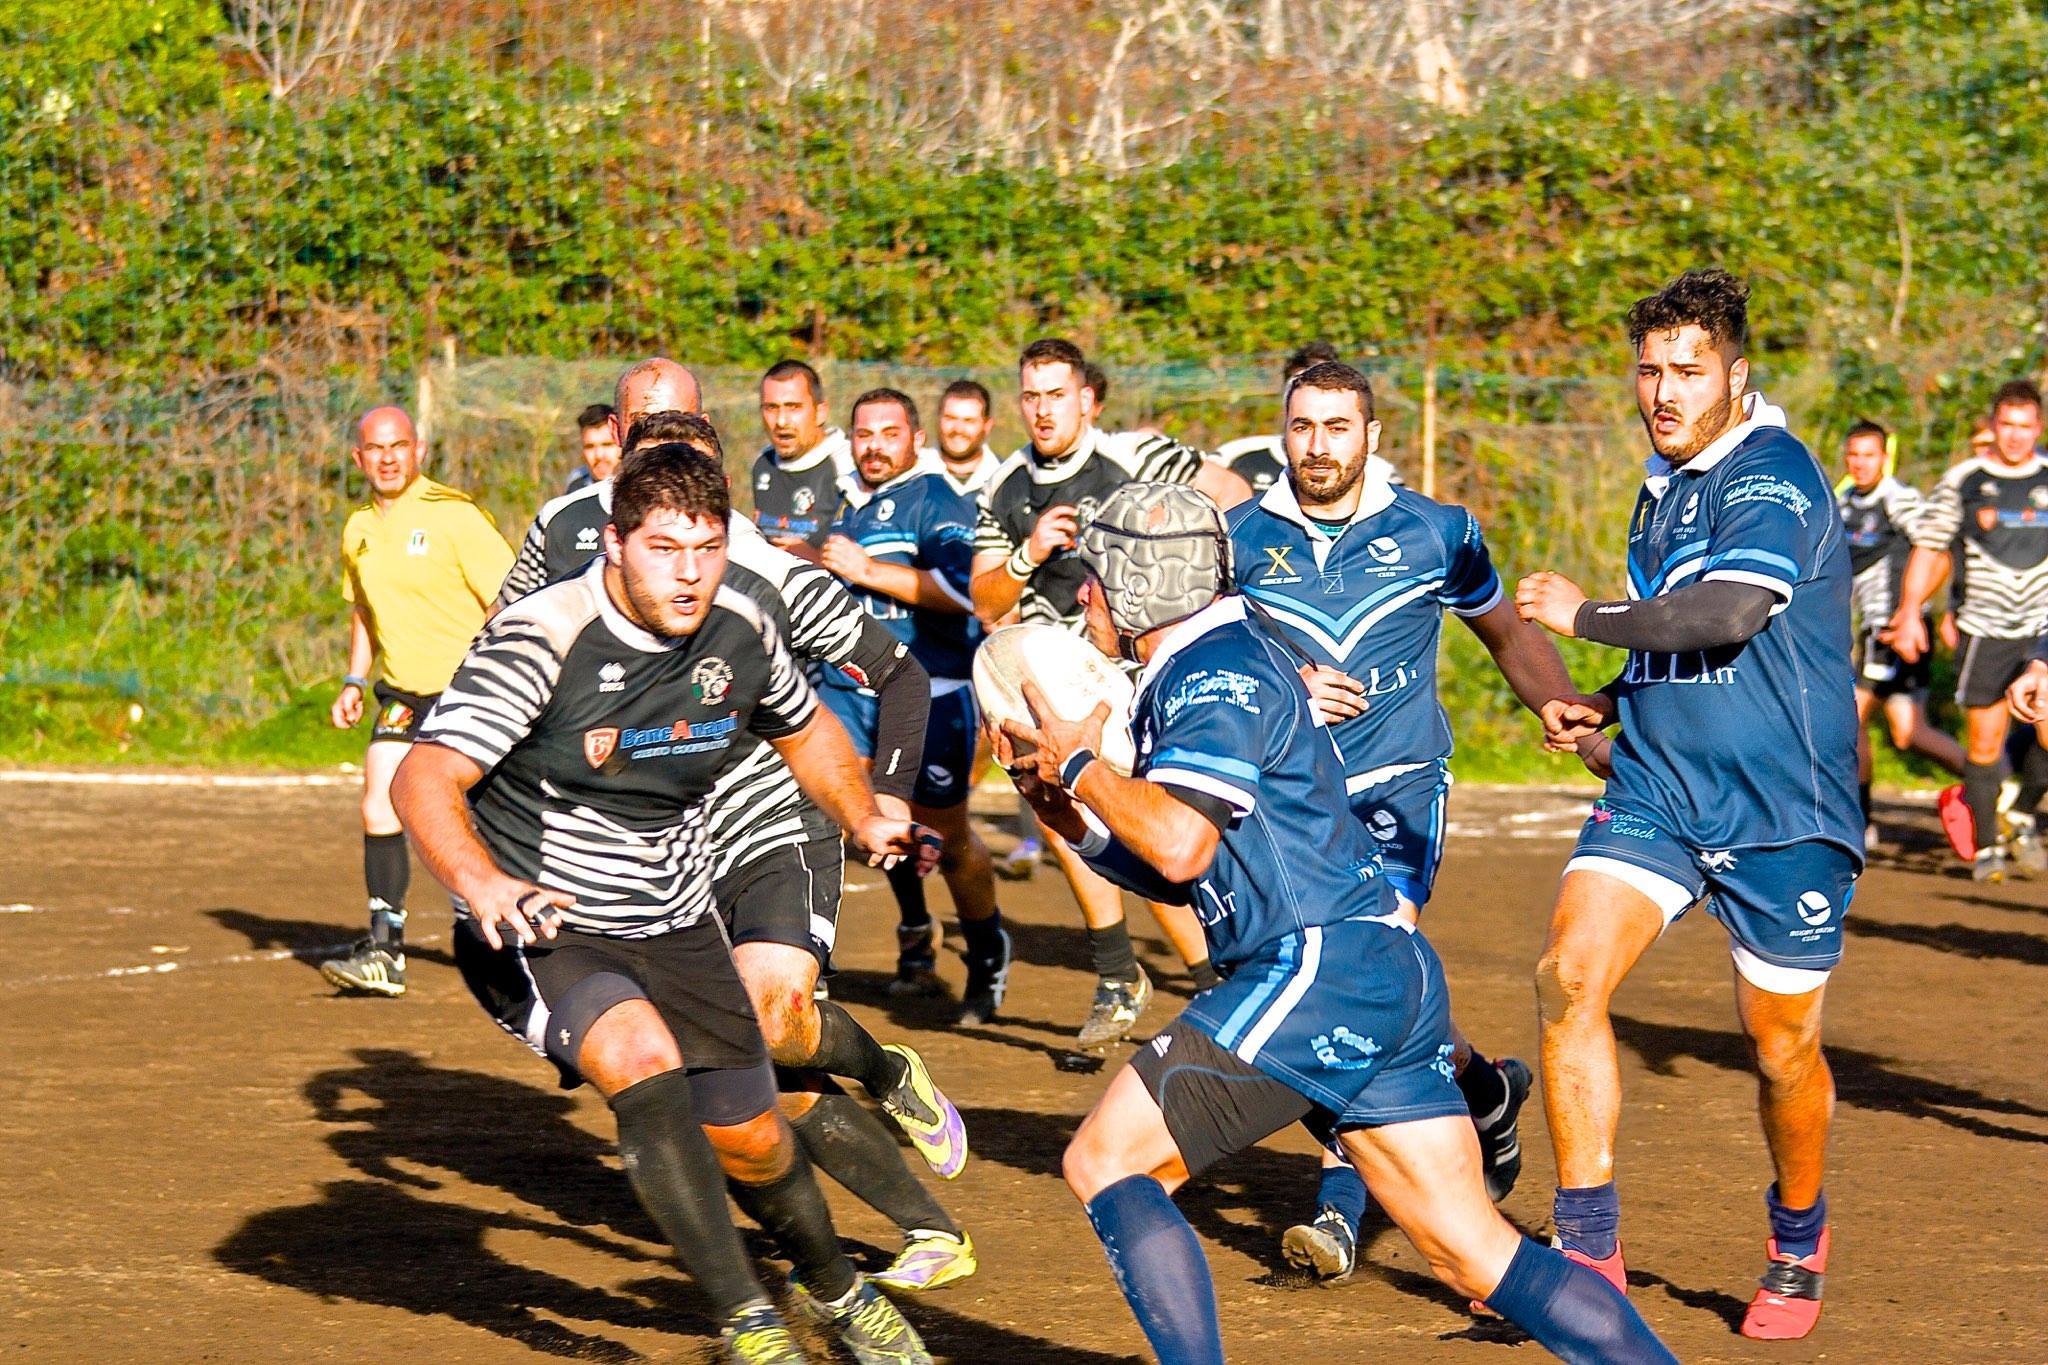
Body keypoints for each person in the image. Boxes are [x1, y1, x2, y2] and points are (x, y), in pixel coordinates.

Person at [996, 481, 1678, 1365]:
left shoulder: (1215, 675)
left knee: (1108, 1164)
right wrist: (1065, 808)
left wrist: (1083, 763)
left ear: (1136, 585)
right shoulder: (1224, 657)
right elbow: (1185, 869)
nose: (1084, 591)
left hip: (1315, 968)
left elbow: (1177, 846)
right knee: (1474, 1251)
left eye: (1097, 573)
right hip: (1376, 964)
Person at [389, 442, 933, 1365]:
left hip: (674, 917)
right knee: (640, 1059)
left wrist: (864, 813)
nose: (688, 573)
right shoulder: (543, 634)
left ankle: (837, 1291)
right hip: (543, 920)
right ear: (614, 543)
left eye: (707, 548)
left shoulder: (742, 628)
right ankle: (751, 1325)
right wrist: (483, 884)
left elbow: (809, 732)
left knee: (753, 1139)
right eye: (663, 548)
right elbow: (424, 776)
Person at [1516, 268, 1859, 1340]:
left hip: (1782, 811)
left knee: (1779, 1050)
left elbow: (1722, 614)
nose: (1661, 391)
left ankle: (1796, 1235)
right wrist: (1604, 705)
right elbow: (1678, 639)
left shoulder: (1771, 473)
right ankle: (1586, 1252)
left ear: (1734, 373)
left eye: (1686, 369)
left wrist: (1586, 619)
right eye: (1647, 370)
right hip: (1659, 791)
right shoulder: (1661, 483)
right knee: (1567, 977)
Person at [621, 408, 979, 1293]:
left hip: (781, 820)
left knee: (771, 1021)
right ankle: (931, 1226)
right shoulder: (590, 600)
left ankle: (887, 1067)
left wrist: (886, 795)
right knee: (744, 1070)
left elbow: (898, 671)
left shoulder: (774, 577)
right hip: (675, 853)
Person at [1230, 360, 1571, 1280]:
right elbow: (1205, 654)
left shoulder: (1437, 531)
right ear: (1283, 434)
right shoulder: (1238, 538)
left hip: (1396, 786)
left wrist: (1562, 708)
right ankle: (1484, 1087)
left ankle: (1337, 1210)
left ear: (1373, 436)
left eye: (1339, 426)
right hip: (1291, 797)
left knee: (1355, 976)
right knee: (1335, 985)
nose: (1319, 445)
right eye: (1303, 426)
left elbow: (1506, 631)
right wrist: (1288, 688)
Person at [969, 337, 1219, 1046]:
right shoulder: (1007, 486)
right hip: (1059, 679)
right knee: (1059, 807)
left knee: (1148, 822)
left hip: (1141, 670)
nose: (1042, 410)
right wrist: (1030, 551)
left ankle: (1208, 980)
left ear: (1088, 399)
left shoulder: (1134, 458)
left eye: (1057, 394)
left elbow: (1224, 493)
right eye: (1031, 395)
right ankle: (1120, 972)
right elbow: (985, 597)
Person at [819, 389, 1011, 1024]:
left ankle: (987, 955)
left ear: (915, 438)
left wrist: (868, 570)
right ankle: (913, 945)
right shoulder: (854, 506)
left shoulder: (938, 502)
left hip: (931, 696)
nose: (874, 444)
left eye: (888, 432)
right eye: (863, 432)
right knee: (872, 821)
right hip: (853, 694)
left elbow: (969, 595)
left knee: (948, 838)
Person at [325, 405, 513, 997]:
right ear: (358, 458)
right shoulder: (357, 529)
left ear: (419, 450)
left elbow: (510, 597)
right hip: (402, 692)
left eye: (397, 446)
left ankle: (524, 940)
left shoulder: (455, 517)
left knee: (487, 822)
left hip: (469, 691)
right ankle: (385, 948)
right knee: (378, 802)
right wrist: (356, 681)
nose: (386, 458)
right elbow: (363, 611)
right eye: (374, 449)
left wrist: (499, 671)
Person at [1886, 381, 2048, 879]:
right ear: (1994, 426)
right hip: (1984, 629)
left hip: (2042, 628)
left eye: (2026, 427)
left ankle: (2020, 811)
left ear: (2038, 428)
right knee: (1984, 741)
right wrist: (1912, 609)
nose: (2016, 436)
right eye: (2007, 425)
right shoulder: (1964, 479)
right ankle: (1986, 847)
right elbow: (1931, 547)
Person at [929, 377, 1043, 880]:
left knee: (1000, 734)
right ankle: (941, 827)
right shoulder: (922, 478)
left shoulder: (1003, 482)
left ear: (987, 425)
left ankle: (1030, 838)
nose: (957, 429)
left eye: (968, 419)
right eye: (950, 418)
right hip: (928, 635)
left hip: (988, 628)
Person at [1835, 419, 1964, 841]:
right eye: (1854, 454)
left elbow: (1937, 548)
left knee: (1849, 718)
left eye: (1869, 455)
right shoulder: (1843, 502)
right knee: (1909, 734)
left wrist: (1915, 612)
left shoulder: (1899, 499)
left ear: (1884, 458)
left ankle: (1861, 821)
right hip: (1871, 633)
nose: (1860, 463)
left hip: (1896, 629)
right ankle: (1987, 781)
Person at [496, 358, 702, 609]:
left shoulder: (738, 539)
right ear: (616, 429)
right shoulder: (558, 520)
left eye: (677, 421)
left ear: (703, 427)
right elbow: (506, 621)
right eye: (643, 422)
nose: (660, 436)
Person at [753, 360, 855, 561]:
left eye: (793, 407)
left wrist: (814, 561)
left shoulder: (847, 464)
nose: (781, 421)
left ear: (820, 412)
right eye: (771, 408)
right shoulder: (762, 463)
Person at [565, 402, 622, 493]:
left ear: (622, 445)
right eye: (590, 447)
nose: (598, 455)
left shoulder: (641, 485)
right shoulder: (575, 486)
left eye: (607, 445)